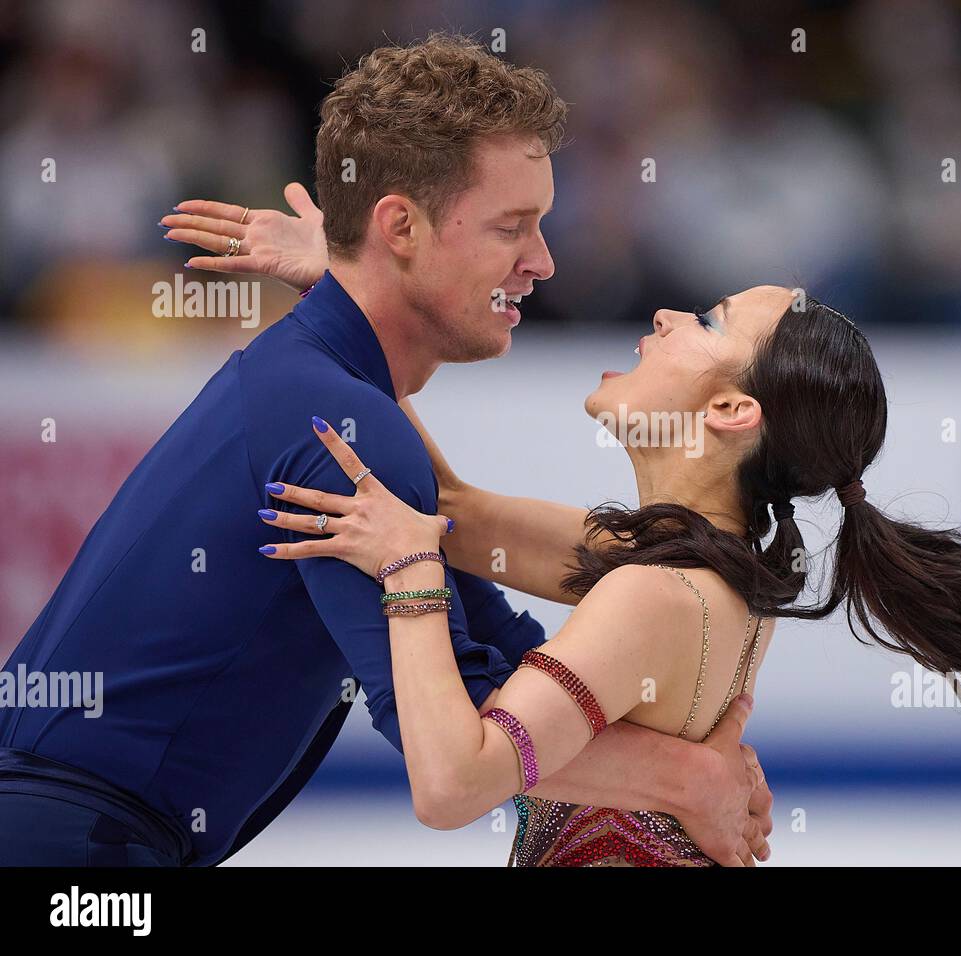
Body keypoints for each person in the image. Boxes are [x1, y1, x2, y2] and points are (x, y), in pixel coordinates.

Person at [0, 33, 771, 867]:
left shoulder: (338, 408)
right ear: (400, 226)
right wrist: (685, 778)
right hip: (70, 845)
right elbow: (457, 738)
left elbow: (492, 653)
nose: (542, 262)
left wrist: (339, 276)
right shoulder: (338, 427)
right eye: (512, 227)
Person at [243, 278, 961, 867]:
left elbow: (450, 783)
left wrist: (408, 576)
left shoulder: (653, 593)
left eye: (706, 325)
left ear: (735, 409)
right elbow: (453, 510)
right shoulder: (712, 575)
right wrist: (349, 292)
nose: (665, 318)